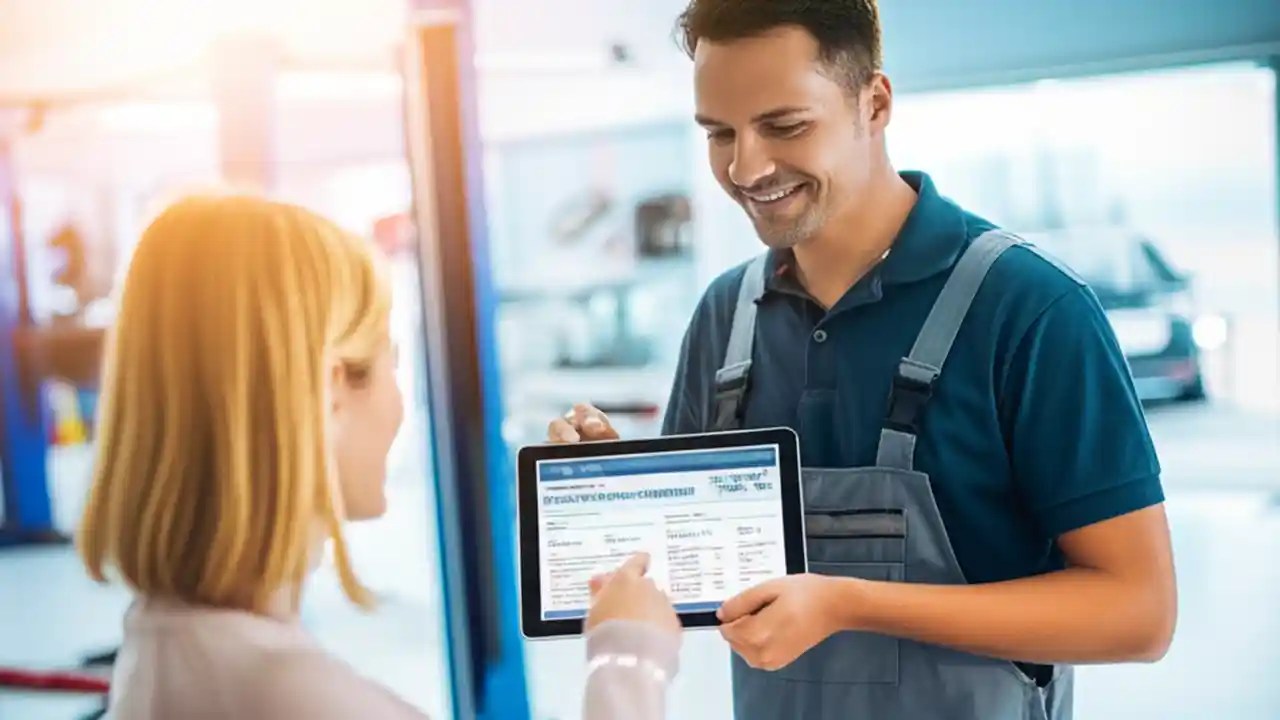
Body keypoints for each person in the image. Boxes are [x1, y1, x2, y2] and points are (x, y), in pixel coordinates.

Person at [546, 1, 1178, 718]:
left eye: (785, 126)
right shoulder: (725, 317)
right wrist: (617, 486)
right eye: (720, 133)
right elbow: (688, 571)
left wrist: (849, 603)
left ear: (873, 103)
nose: (746, 166)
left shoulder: (1031, 310)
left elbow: (1139, 610)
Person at [76, 194, 681, 720]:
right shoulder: (287, 695)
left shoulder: (162, 646)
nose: (398, 401)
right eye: (390, 360)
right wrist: (628, 659)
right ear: (334, 390)